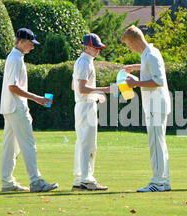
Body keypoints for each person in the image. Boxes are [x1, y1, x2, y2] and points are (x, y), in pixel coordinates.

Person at [0, 28, 58, 192]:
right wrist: (37, 99)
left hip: (12, 107)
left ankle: (7, 182)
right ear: (21, 41)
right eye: (30, 44)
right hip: (15, 107)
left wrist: (27, 106)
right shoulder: (15, 59)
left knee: (10, 147)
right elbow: (13, 87)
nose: (32, 47)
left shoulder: (16, 57)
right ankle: (35, 181)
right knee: (28, 144)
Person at [121, 25, 171, 192]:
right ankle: (164, 181)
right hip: (154, 104)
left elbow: (159, 81)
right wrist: (133, 68)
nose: (129, 48)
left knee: (156, 144)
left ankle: (158, 183)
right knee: (159, 144)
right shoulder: (148, 53)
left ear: (134, 42)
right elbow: (146, 65)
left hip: (156, 105)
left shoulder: (151, 55)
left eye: (128, 44)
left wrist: (135, 83)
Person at [71, 33, 114, 191]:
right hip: (85, 106)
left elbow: (74, 86)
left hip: (84, 104)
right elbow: (81, 88)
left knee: (82, 143)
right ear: (86, 47)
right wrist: (105, 90)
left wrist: (96, 95)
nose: (97, 51)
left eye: (98, 48)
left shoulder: (82, 61)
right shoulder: (84, 62)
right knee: (88, 144)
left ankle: (79, 178)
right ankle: (86, 179)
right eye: (94, 48)